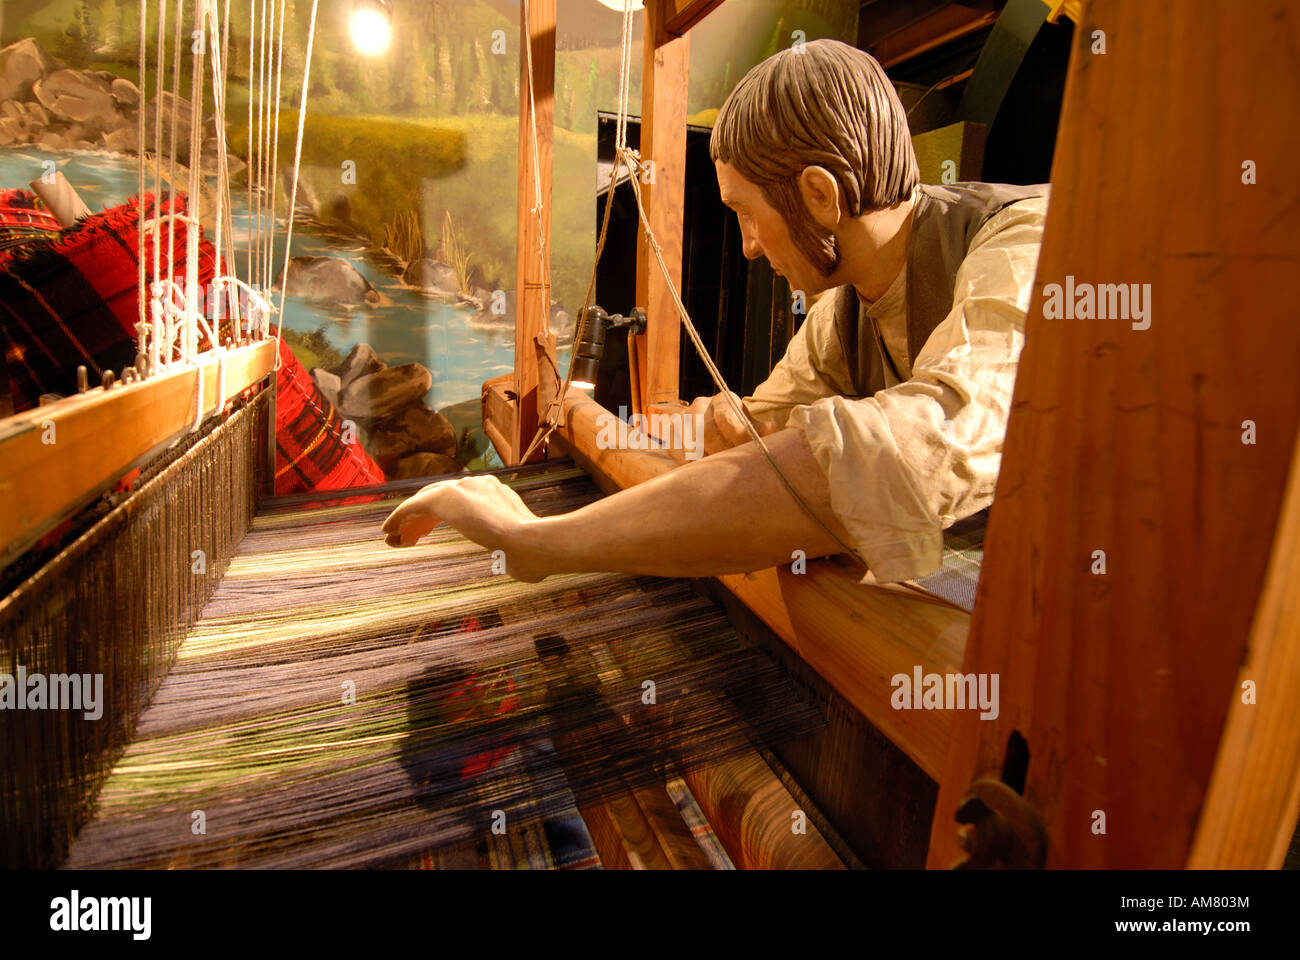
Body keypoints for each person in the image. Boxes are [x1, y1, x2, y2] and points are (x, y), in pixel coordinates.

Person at [382, 39, 1049, 586]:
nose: (750, 249)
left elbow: (918, 446)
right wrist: (598, 430)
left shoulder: (1030, 245)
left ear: (819, 195)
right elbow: (747, 436)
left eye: (745, 216)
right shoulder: (841, 317)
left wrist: (540, 542)